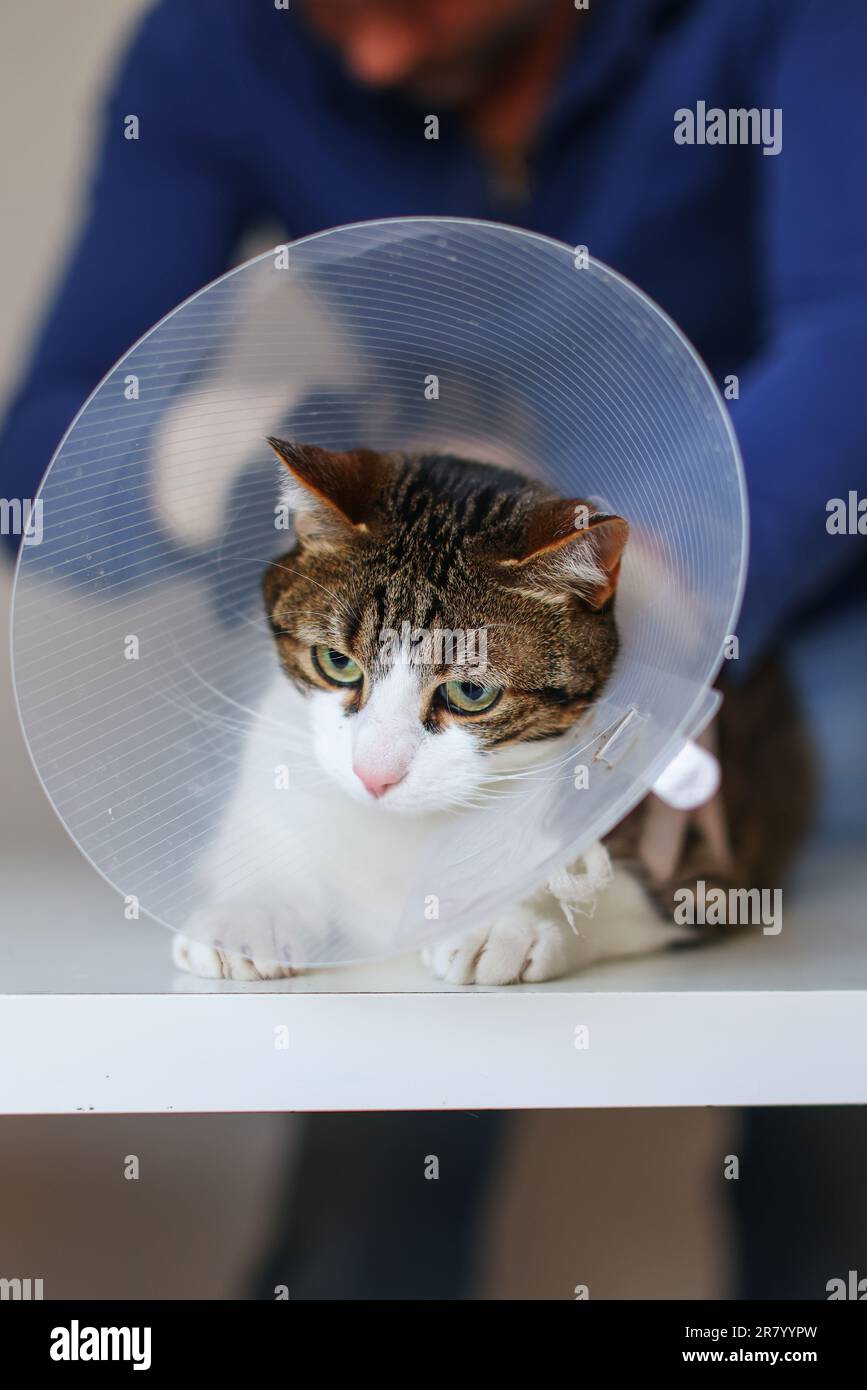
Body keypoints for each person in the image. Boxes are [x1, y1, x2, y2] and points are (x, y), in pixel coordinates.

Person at [2, 0, 866, 1297]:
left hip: (795, 596)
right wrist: (279, 469)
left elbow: (858, 333)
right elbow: (41, 454)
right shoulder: (212, 45)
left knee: (828, 1077)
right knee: (378, 1115)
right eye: (325, 11)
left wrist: (665, 578)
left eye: (413, 4)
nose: (376, 57)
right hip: (443, 610)